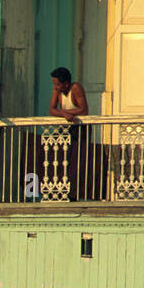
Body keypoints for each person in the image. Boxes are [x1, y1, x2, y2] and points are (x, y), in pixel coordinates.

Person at [43, 67, 101, 200]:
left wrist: (66, 113)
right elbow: (51, 109)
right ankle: (59, 190)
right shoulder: (57, 90)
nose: (55, 87)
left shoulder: (75, 88)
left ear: (66, 84)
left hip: (79, 128)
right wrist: (63, 113)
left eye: (57, 84)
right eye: (54, 84)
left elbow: (83, 110)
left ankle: (77, 194)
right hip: (66, 127)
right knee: (59, 157)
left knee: (78, 160)